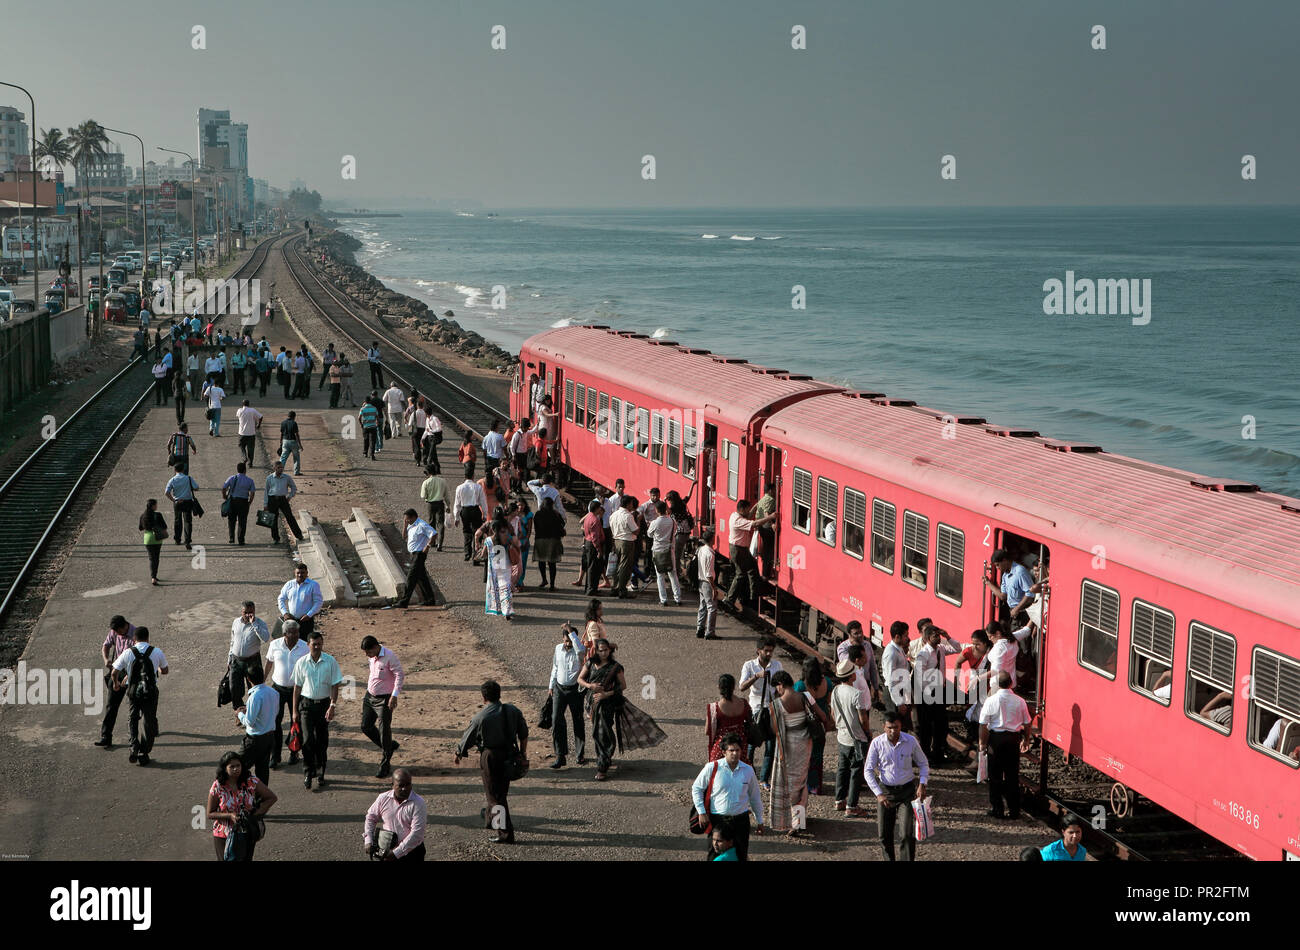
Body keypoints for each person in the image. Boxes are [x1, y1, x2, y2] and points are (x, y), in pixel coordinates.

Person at [577, 639, 666, 781]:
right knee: (597, 733)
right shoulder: (590, 663)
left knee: (602, 732)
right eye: (601, 650)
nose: (604, 653)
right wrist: (590, 686)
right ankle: (605, 757)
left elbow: (623, 686)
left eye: (606, 650)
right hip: (592, 703)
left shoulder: (615, 667)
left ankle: (602, 766)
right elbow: (580, 679)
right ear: (596, 651)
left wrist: (606, 694)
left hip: (608, 705)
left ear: (610, 650)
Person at [454, 680, 528, 844]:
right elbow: (523, 734)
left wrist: (459, 753)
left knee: (495, 797)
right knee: (500, 791)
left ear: (483, 698)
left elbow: (468, 737)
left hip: (491, 757)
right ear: (500, 694)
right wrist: (522, 753)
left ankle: (505, 834)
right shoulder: (513, 710)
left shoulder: (481, 717)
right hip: (510, 755)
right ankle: (490, 818)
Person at [766, 670, 828, 836]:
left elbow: (774, 730)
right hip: (805, 744)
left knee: (789, 785)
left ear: (780, 685)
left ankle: (789, 821)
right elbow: (822, 716)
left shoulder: (777, 704)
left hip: (788, 747)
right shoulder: (805, 696)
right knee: (801, 784)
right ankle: (799, 821)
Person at [864, 711, 929, 861]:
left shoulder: (911, 741)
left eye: (897, 727)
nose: (893, 731)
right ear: (884, 727)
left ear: (901, 726)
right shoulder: (877, 743)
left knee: (906, 834)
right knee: (884, 835)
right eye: (890, 728)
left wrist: (922, 783)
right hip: (886, 792)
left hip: (906, 792)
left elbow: (923, 763)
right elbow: (868, 770)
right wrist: (878, 794)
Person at [690, 733, 765, 861]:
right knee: (715, 855)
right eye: (731, 750)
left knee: (740, 854)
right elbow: (696, 788)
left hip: (741, 820)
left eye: (737, 750)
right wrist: (702, 812)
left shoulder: (748, 770)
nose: (735, 753)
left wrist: (760, 820)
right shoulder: (712, 768)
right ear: (724, 752)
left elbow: (755, 796)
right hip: (717, 820)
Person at [291, 630, 344, 790]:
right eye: (314, 644)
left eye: (319, 644)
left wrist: (332, 706)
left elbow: (335, 684)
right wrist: (294, 711)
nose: (317, 647)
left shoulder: (330, 661)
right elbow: (297, 688)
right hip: (306, 705)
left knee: (322, 741)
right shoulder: (301, 662)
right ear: (308, 645)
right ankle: (308, 772)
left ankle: (321, 773)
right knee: (307, 740)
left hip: (323, 705)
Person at [110, 625, 169, 766]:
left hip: (133, 691)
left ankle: (133, 747)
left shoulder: (127, 652)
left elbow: (114, 672)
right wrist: (158, 669)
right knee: (149, 721)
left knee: (133, 718)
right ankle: (144, 751)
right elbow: (165, 670)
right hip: (150, 692)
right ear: (148, 638)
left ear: (134, 639)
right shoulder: (156, 651)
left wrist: (116, 684)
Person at [979, 671, 1032, 819]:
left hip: (996, 739)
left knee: (994, 776)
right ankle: (1014, 810)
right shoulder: (1020, 701)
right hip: (1013, 739)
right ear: (1011, 683)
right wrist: (1026, 740)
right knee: (1012, 776)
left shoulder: (991, 700)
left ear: (998, 684)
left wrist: (982, 743)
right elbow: (1027, 723)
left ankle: (998, 809)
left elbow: (983, 724)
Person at [206, 751, 277, 861]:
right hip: (223, 834)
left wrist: (255, 815)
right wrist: (230, 816)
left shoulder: (251, 781)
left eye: (238, 765)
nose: (236, 769)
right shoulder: (218, 786)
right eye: (232, 767)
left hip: (246, 832)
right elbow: (210, 813)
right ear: (225, 768)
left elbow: (271, 798)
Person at [831, 657, 872, 817]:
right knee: (856, 771)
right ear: (850, 676)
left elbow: (833, 714)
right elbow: (863, 718)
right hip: (856, 738)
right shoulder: (857, 694)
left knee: (842, 769)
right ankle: (852, 806)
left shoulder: (835, 691)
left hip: (842, 737)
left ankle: (839, 800)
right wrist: (867, 733)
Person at [264, 619, 308, 770]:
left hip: (298, 690)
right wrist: (261, 683)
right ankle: (275, 756)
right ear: (284, 633)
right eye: (292, 633)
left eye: (297, 632)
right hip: (277, 689)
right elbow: (269, 663)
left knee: (296, 722)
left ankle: (294, 752)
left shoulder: (304, 647)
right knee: (275, 722)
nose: (295, 635)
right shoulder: (274, 645)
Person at [915, 625, 962, 764]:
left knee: (941, 725)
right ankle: (925, 755)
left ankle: (938, 753)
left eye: (939, 635)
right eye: (935, 635)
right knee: (927, 727)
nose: (939, 637)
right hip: (927, 694)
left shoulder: (941, 649)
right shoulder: (923, 654)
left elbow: (957, 648)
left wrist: (948, 636)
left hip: (939, 692)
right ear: (928, 638)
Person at [740, 637, 783, 784]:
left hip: (771, 707)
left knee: (770, 745)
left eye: (771, 651)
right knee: (752, 743)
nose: (769, 654)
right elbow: (742, 686)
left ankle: (764, 779)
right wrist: (756, 676)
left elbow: (780, 687)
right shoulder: (749, 665)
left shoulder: (777, 665)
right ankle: (749, 775)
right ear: (759, 651)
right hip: (756, 707)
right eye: (766, 651)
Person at [360, 635, 404, 778]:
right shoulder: (372, 657)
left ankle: (385, 763)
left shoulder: (390, 656)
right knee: (365, 726)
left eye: (368, 652)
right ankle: (389, 746)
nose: (367, 655)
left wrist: (394, 695)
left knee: (384, 730)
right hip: (369, 696)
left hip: (385, 699)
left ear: (375, 647)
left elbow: (399, 675)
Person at [723, 499, 777, 611]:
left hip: (741, 549)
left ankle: (754, 594)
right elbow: (755, 523)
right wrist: (771, 517)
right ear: (742, 509)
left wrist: (757, 505)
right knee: (741, 574)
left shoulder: (735, 515)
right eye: (747, 509)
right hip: (738, 550)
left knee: (752, 567)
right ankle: (730, 599)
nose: (749, 511)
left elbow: (748, 516)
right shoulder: (737, 521)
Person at [364, 768, 427, 860]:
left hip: (411, 852)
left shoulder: (418, 803)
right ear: (392, 785)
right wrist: (368, 840)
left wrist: (396, 853)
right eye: (400, 785)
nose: (404, 788)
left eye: (408, 784)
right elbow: (371, 818)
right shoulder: (383, 798)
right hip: (387, 849)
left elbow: (417, 834)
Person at [548, 622, 587, 769]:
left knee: (577, 720)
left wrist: (571, 631)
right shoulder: (558, 648)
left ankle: (579, 754)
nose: (567, 644)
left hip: (575, 690)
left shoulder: (579, 650)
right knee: (556, 719)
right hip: (559, 688)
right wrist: (551, 685)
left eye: (570, 641)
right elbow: (555, 667)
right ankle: (560, 755)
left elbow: (579, 647)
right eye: (565, 641)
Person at [95, 616, 135, 749]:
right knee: (111, 706)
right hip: (117, 673)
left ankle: (151, 725)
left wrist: (129, 675)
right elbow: (105, 646)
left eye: (118, 631)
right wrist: (106, 659)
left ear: (125, 626)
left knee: (137, 705)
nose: (117, 634)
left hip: (131, 673)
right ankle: (106, 737)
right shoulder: (114, 632)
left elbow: (138, 659)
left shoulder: (135, 635)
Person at [795, 656, 832, 797]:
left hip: (805, 725)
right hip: (821, 724)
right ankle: (816, 786)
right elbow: (829, 702)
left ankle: (806, 784)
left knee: (805, 756)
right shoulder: (827, 682)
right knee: (818, 754)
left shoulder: (800, 686)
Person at [235, 663, 277, 785]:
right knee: (263, 772)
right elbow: (273, 712)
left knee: (237, 767)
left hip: (254, 739)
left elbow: (249, 722)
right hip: (269, 737)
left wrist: (239, 714)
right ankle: (261, 799)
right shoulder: (273, 692)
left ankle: (237, 795)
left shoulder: (255, 697)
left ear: (248, 679)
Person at [984, 548, 1045, 628]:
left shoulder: (1019, 572)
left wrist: (1017, 608)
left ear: (1005, 560)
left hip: (1023, 613)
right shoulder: (1005, 575)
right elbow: (1003, 596)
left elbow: (1030, 594)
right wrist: (988, 583)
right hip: (1014, 613)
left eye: (998, 565)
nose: (997, 568)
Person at [228, 600, 271, 708]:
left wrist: (254, 624)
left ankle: (253, 712)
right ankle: (239, 712)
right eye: (245, 613)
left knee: (255, 689)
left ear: (254, 611)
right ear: (241, 611)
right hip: (236, 660)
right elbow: (232, 641)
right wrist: (229, 657)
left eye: (251, 612)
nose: (248, 615)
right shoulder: (236, 622)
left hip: (252, 662)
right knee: (234, 688)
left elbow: (265, 638)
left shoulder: (260, 623)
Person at [393, 508, 437, 608]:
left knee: (411, 577)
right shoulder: (410, 525)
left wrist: (428, 546)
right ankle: (430, 599)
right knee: (422, 578)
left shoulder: (422, 525)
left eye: (408, 519)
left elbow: (434, 533)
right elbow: (404, 537)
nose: (407, 521)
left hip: (419, 554)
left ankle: (404, 601)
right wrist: (405, 525)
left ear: (413, 517)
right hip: (413, 554)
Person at [706, 673, 751, 762]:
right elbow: (749, 720)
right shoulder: (743, 703)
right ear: (733, 687)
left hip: (723, 745)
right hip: (740, 745)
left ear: (719, 687)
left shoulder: (714, 707)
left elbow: (707, 731)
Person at [647, 500, 682, 606]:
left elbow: (649, 535)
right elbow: (675, 532)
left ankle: (663, 599)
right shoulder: (672, 521)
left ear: (656, 510)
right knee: (673, 574)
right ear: (666, 509)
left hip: (658, 551)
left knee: (660, 576)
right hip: (669, 550)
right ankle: (678, 599)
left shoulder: (655, 522)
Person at [483, 521, 518, 620]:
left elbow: (483, 554)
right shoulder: (506, 537)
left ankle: (498, 608)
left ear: (493, 529)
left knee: (496, 586)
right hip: (504, 561)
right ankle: (507, 610)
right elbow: (516, 544)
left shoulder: (488, 539)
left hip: (494, 564)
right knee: (505, 585)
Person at [279, 562, 323, 639]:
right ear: (295, 573)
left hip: (306, 622)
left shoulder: (313, 585)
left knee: (305, 644)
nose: (300, 575)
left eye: (302, 573)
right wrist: (285, 613)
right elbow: (281, 599)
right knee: (291, 642)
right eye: (298, 573)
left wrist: (309, 615)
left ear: (307, 573)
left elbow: (318, 602)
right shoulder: (289, 584)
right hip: (291, 621)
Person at [881, 621, 913, 730]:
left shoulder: (898, 649)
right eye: (905, 636)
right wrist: (899, 702)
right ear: (897, 636)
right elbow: (891, 680)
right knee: (895, 727)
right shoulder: (891, 653)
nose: (907, 638)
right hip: (894, 694)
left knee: (902, 726)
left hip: (899, 691)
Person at [264, 461, 304, 544]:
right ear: (274, 468)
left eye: (282, 467)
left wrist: (290, 496)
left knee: (289, 517)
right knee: (273, 519)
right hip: (272, 499)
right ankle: (276, 538)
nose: (281, 469)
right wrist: (265, 504)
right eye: (278, 468)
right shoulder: (269, 478)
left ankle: (299, 535)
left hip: (283, 499)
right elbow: (266, 492)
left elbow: (294, 487)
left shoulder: (287, 477)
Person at [453, 470, 489, 561]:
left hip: (465, 510)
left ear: (465, 477)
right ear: (473, 476)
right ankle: (476, 554)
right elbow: (483, 502)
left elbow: (457, 504)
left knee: (466, 530)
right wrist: (485, 514)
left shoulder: (459, 488)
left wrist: (456, 517)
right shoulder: (477, 487)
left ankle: (467, 552)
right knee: (477, 532)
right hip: (475, 510)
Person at [531, 496, 565, 590]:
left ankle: (544, 579)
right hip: (553, 541)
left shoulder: (538, 514)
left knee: (541, 561)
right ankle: (552, 585)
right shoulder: (555, 514)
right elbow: (562, 524)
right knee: (552, 564)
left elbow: (536, 527)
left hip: (540, 540)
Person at [609, 495, 640, 598]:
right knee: (625, 567)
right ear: (627, 504)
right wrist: (638, 520)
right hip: (627, 542)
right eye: (631, 503)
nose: (632, 505)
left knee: (618, 566)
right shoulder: (628, 516)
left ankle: (615, 587)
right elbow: (635, 531)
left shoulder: (614, 514)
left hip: (616, 541)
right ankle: (622, 590)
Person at [222, 461, 257, 545]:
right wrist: (250, 502)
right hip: (244, 502)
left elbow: (224, 487)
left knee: (231, 520)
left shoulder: (232, 478)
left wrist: (225, 496)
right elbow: (252, 493)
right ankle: (241, 539)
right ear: (245, 470)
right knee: (242, 521)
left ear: (237, 470)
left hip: (233, 501)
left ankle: (231, 538)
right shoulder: (250, 480)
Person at [164, 463, 198, 550]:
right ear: (183, 469)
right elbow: (196, 487)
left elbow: (167, 493)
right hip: (187, 501)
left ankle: (177, 539)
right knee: (188, 521)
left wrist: (174, 500)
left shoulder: (172, 480)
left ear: (175, 470)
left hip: (177, 502)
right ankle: (187, 540)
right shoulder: (188, 478)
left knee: (177, 520)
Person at [695, 526, 719, 639]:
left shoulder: (701, 549)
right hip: (707, 583)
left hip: (700, 581)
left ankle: (700, 628)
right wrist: (714, 588)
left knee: (702, 606)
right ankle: (710, 632)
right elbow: (709, 574)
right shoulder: (710, 554)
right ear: (711, 539)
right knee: (712, 607)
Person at [580, 500, 607, 596]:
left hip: (588, 543)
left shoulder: (588, 516)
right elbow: (595, 537)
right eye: (600, 507)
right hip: (593, 545)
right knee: (593, 568)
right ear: (597, 508)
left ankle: (589, 588)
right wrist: (599, 550)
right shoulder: (595, 520)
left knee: (590, 567)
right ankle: (591, 589)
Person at [418, 465, 448, 549]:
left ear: (428, 472)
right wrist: (448, 505)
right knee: (441, 523)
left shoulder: (426, 482)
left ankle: (433, 541)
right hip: (440, 503)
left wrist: (428, 496)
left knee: (431, 523)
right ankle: (440, 543)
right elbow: (446, 495)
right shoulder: (442, 481)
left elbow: (423, 496)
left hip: (430, 504)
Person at [138, 499, 166, 586]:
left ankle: (153, 576)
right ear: (153, 506)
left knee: (151, 558)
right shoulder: (158, 515)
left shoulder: (143, 515)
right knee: (156, 558)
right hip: (157, 539)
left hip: (148, 539)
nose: (157, 506)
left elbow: (140, 528)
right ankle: (154, 577)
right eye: (156, 505)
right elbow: (165, 526)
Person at [235, 400, 262, 466]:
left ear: (242, 404)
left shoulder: (239, 410)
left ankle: (244, 457)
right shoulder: (252, 410)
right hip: (251, 433)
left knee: (241, 446)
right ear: (249, 404)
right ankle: (250, 463)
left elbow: (238, 417)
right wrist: (258, 425)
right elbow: (261, 417)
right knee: (251, 449)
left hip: (242, 433)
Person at [279, 410, 303, 475]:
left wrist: (280, 443)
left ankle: (279, 471)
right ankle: (296, 472)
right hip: (293, 442)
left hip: (285, 441)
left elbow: (281, 434)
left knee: (283, 457)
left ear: (288, 416)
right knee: (296, 457)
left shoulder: (283, 423)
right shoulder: (294, 423)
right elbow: (296, 435)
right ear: (294, 416)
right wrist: (300, 445)